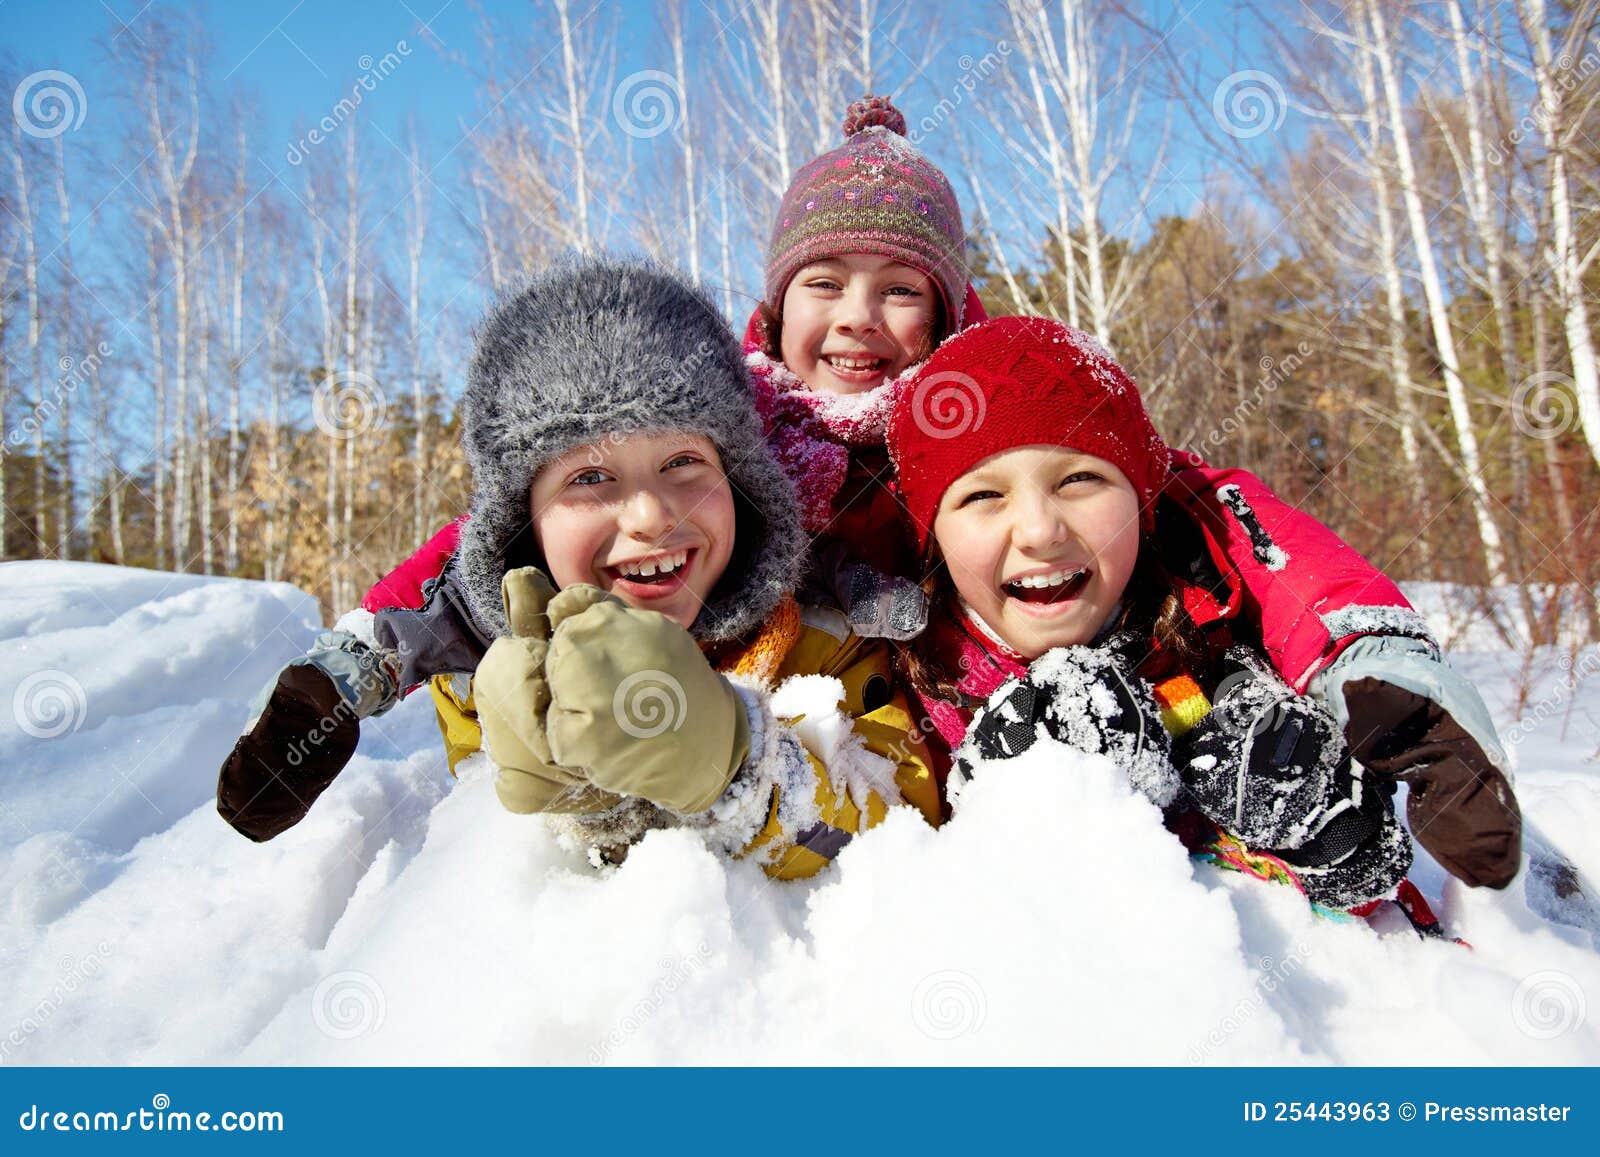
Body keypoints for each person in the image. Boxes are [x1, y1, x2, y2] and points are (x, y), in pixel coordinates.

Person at [218, 257, 940, 879]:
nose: (652, 516)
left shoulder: (818, 633)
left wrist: (737, 764)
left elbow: (896, 819)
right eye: (590, 478)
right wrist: (590, 813)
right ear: (520, 521)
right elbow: (495, 895)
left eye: (683, 461)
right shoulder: (490, 671)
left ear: (742, 479)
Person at [886, 316, 1519, 913]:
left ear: (1143, 501)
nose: (1040, 530)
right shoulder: (904, 682)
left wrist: (1327, 843)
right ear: (932, 535)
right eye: (983, 494)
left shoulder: (1208, 637)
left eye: (1079, 479)